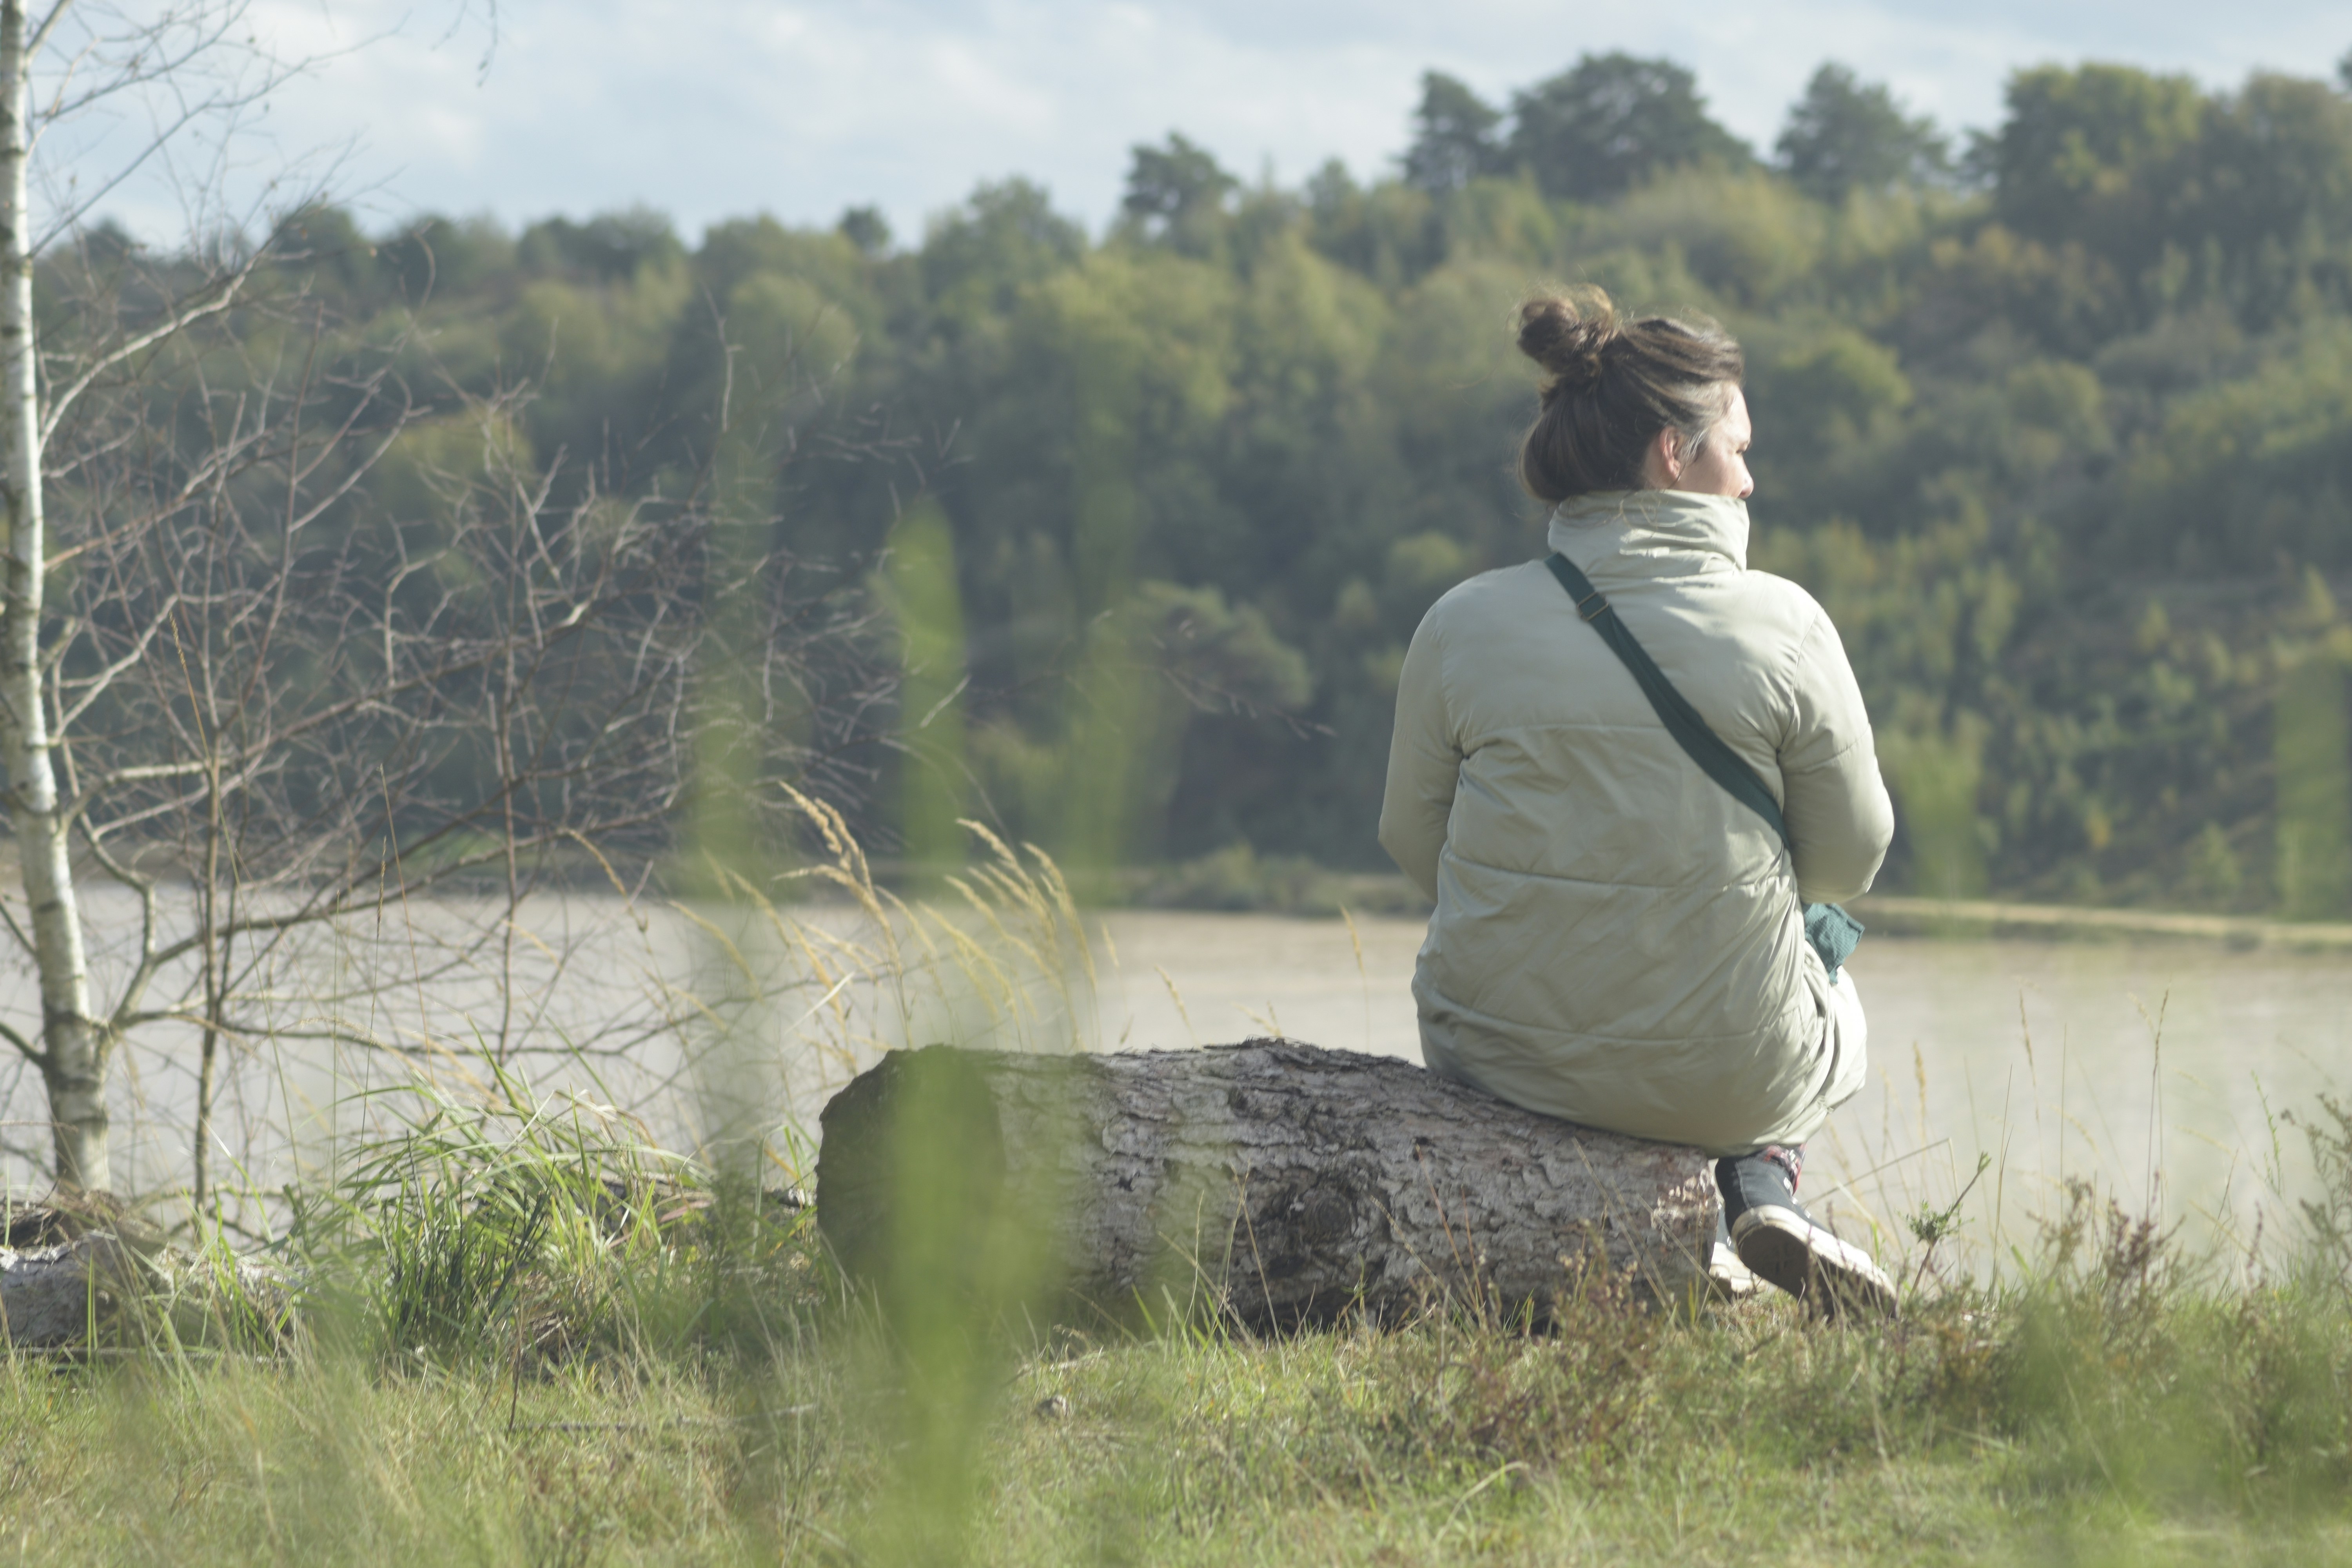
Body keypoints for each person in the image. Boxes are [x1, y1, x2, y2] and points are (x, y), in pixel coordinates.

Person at [1377, 286, 1899, 1315]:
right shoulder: (1784, 625)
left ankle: (1681, 1232)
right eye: (1738, 449)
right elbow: (1853, 858)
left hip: (1498, 1050)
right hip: (1729, 1065)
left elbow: (1409, 841)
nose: (1751, 478)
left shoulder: (1461, 623)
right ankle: (1758, 1182)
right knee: (1830, 961)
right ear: (1674, 453)